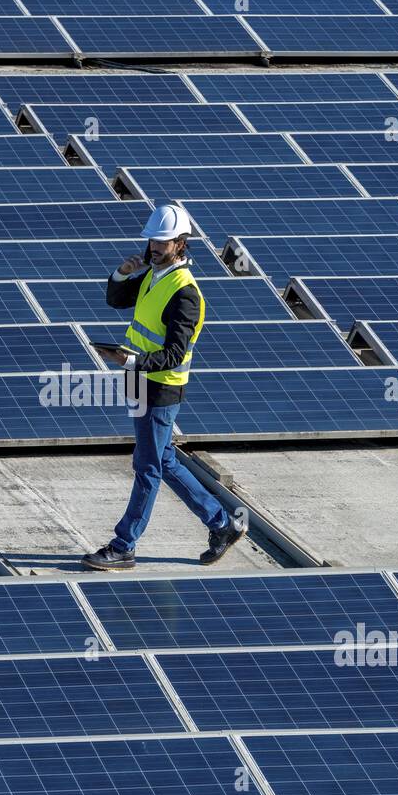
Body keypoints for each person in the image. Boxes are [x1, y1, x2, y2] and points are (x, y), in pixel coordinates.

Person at [82, 202, 244, 572]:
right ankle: (222, 523)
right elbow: (116, 300)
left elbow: (174, 352)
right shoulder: (153, 274)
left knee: (147, 467)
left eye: (163, 242)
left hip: (161, 388)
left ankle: (124, 545)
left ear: (181, 243)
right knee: (162, 458)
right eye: (152, 240)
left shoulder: (185, 293)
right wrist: (122, 273)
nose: (154, 247)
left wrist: (130, 361)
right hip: (139, 381)